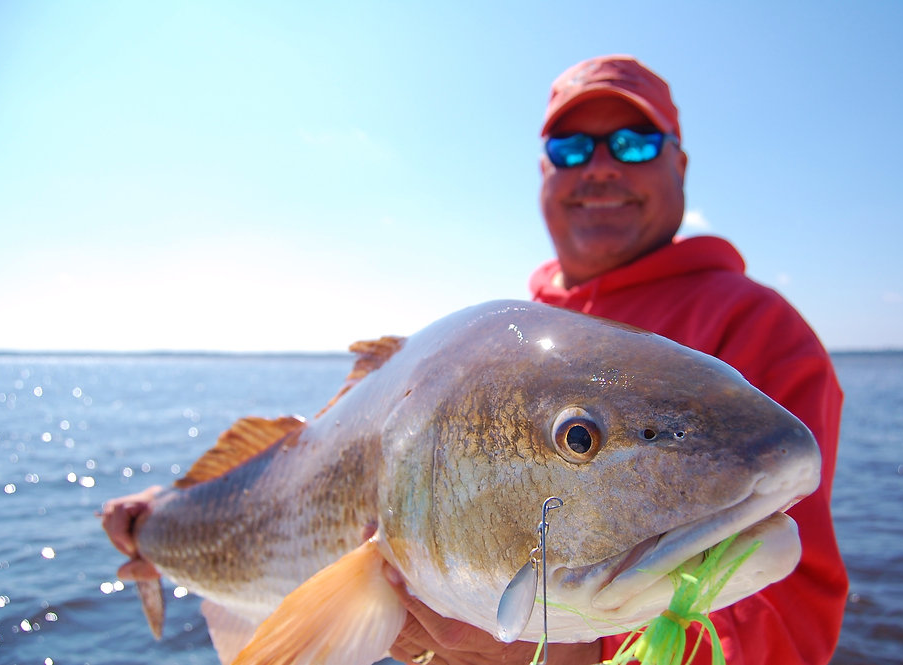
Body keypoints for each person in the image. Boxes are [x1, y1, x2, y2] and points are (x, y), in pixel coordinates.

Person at [103, 55, 848, 665]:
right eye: (570, 148)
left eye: (633, 142)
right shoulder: (485, 353)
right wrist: (158, 523)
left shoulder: (754, 327)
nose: (600, 167)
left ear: (680, 163)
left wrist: (578, 655)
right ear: (544, 174)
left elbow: (791, 632)